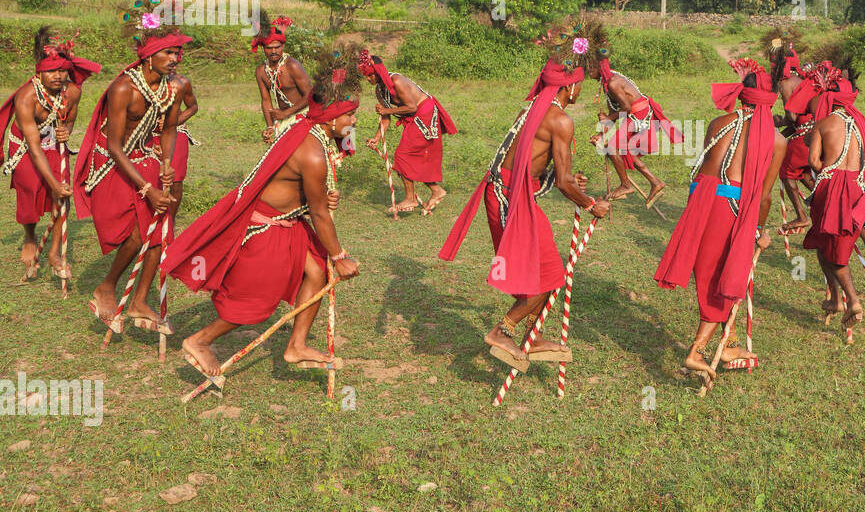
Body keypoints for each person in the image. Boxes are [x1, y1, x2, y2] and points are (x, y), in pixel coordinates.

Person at [164, 50, 363, 378]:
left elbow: (313, 196)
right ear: (331, 119)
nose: (354, 123)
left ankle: (296, 346)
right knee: (255, 302)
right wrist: (340, 255)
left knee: (317, 273)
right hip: (268, 225)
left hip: (289, 221)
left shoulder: (308, 129)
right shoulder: (312, 152)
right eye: (350, 116)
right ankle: (199, 340)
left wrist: (326, 192)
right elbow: (319, 215)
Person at [439, 27, 611, 371]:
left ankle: (533, 337)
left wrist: (564, 179)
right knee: (549, 274)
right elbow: (562, 181)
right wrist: (591, 203)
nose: (581, 90)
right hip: (509, 198)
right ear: (570, 86)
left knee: (544, 271)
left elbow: (530, 161)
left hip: (506, 192)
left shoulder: (533, 109)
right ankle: (503, 330)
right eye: (580, 84)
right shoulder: (560, 120)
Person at [654, 59, 786, 387]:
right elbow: (765, 196)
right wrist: (757, 231)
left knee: (713, 271)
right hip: (729, 206)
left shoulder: (719, 123)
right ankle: (697, 351)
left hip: (700, 200)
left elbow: (706, 167)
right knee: (726, 275)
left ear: (743, 96)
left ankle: (727, 345)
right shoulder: (777, 140)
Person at [75, 1, 190, 334]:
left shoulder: (173, 87)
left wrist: (166, 164)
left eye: (177, 53)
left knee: (159, 230)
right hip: (113, 160)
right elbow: (113, 145)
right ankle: (107, 286)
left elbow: (168, 130)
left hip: (145, 156)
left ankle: (140, 299)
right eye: (169, 53)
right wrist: (147, 188)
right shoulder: (123, 87)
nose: (175, 59)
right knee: (136, 233)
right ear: (149, 56)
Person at [1, 30, 100, 280]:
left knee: (62, 193)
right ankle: (30, 235)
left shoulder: (72, 93)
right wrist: (52, 183)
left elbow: (69, 121)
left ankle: (55, 253)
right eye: (51, 71)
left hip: (53, 142)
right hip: (25, 146)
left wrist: (65, 131)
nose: (58, 76)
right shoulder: (26, 98)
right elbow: (34, 147)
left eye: (62, 71)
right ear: (39, 72)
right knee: (32, 187)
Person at [803, 64, 865, 339]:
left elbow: (812, 162)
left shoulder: (824, 124)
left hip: (830, 188)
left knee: (834, 252)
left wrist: (828, 169)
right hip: (858, 188)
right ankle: (835, 298)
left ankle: (851, 300)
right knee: (823, 243)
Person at [358, 50, 457, 214]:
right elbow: (386, 117)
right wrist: (377, 137)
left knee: (403, 155)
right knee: (408, 158)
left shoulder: (396, 81)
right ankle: (437, 191)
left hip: (424, 113)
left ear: (378, 72)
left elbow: (412, 107)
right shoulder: (380, 91)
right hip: (414, 116)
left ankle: (411, 198)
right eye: (366, 77)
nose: (368, 79)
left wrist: (386, 111)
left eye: (369, 75)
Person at [592, 31, 681, 208]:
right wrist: (604, 129)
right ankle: (656, 182)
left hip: (639, 115)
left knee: (612, 147)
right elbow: (615, 111)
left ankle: (625, 185)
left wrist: (608, 120)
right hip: (635, 114)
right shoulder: (607, 81)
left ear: (598, 67)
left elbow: (625, 108)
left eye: (590, 69)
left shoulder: (612, 83)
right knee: (623, 150)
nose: (588, 73)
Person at [771, 40, 814, 233]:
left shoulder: (785, 83)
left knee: (786, 172)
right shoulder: (805, 79)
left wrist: (777, 122)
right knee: (803, 172)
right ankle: (819, 203)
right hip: (815, 133)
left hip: (805, 136)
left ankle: (801, 216)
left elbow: (792, 117)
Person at [253, 14, 311, 143]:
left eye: (277, 47)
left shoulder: (292, 66)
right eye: (269, 48)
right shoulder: (261, 71)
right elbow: (266, 100)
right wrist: (270, 126)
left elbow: (310, 95)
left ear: (283, 47)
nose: (274, 51)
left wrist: (287, 113)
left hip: (305, 113)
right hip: (283, 118)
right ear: (263, 49)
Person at [168, 55, 201, 214]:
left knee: (176, 180)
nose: (173, 65)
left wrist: (174, 123)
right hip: (148, 133)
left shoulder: (182, 82)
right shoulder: (143, 81)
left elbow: (193, 107)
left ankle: (170, 222)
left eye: (175, 63)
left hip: (175, 131)